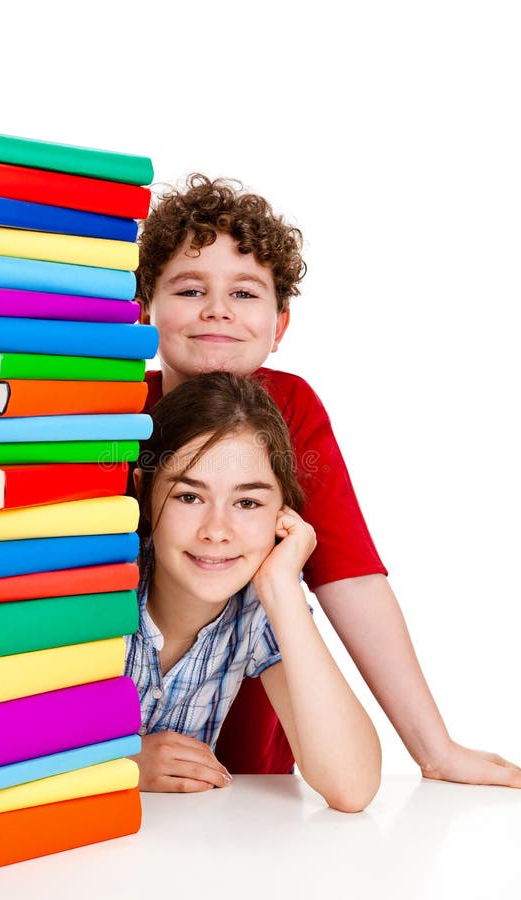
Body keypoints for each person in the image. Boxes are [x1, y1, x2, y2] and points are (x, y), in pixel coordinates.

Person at [135, 173, 521, 789]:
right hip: (102, 718)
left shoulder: (288, 408)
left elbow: (347, 573)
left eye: (244, 292)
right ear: (143, 307)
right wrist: (103, 759)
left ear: (279, 324)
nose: (217, 310)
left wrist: (434, 747)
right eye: (189, 289)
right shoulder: (103, 411)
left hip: (248, 721)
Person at [127, 370, 382, 810]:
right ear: (145, 493)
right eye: (189, 497)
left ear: (281, 514)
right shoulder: (90, 586)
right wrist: (121, 763)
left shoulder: (257, 606)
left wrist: (282, 587)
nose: (217, 531)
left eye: (248, 503)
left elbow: (351, 786)